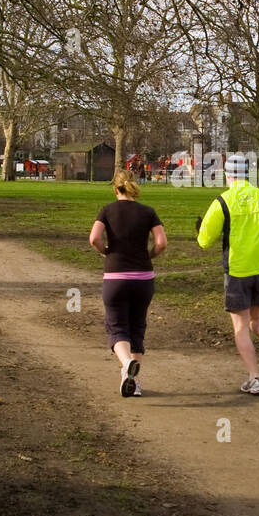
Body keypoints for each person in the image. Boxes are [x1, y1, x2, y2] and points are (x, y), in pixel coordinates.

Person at [196, 154, 259, 395]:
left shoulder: (222, 201)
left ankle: (255, 377)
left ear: (228, 176)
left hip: (238, 271)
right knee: (257, 318)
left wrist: (201, 234)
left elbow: (205, 240)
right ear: (248, 175)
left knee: (240, 326)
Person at [90, 169, 167, 397]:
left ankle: (126, 366)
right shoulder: (148, 212)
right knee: (137, 328)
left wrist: (105, 252)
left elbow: (94, 238)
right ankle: (134, 381)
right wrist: (149, 256)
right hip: (143, 279)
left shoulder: (107, 210)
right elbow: (161, 242)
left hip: (115, 277)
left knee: (117, 327)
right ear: (135, 188)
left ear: (116, 189)